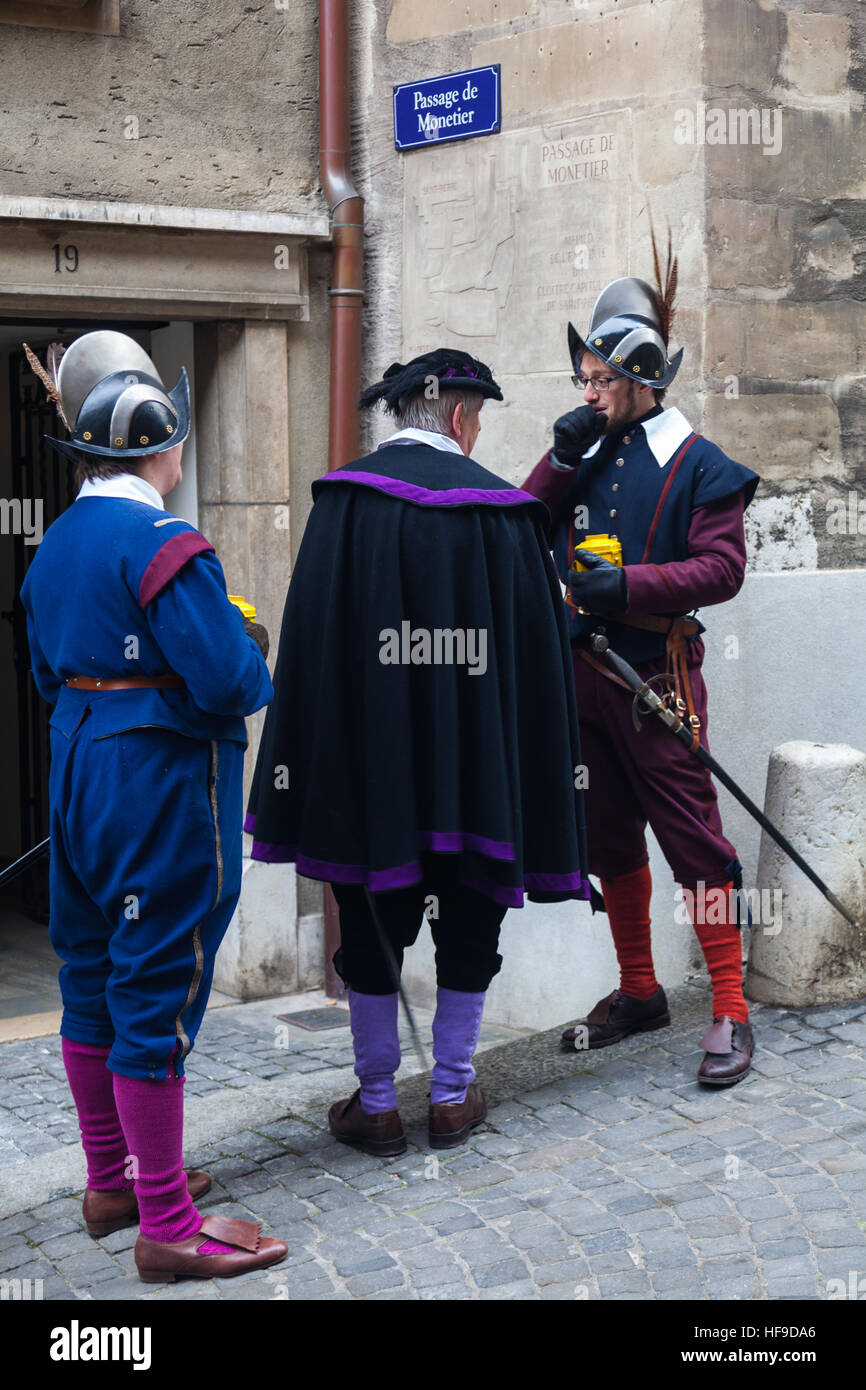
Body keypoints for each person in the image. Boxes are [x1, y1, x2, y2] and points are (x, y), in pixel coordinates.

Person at [246, 348, 592, 1154]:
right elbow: (538, 665)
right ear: (463, 417)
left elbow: (311, 650)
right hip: (479, 770)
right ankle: (449, 1095)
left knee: (372, 919)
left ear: (403, 415)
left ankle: (375, 1104)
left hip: (377, 772)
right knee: (472, 910)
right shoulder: (507, 514)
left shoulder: (343, 504)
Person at [21, 330, 287, 1281]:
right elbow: (230, 683)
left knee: (90, 977)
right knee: (155, 992)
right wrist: (244, 639)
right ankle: (167, 1223)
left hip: (79, 777)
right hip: (159, 790)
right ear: (160, 449)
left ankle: (109, 1179)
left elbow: (56, 674)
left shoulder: (54, 543)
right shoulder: (168, 542)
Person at [522, 268, 760, 1086]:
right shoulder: (581, 452)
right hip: (580, 670)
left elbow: (723, 569)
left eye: (599, 378)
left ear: (640, 378)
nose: (587, 390)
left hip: (654, 673)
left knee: (694, 838)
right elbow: (521, 526)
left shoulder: (700, 463)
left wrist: (630, 588)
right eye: (582, 377)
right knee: (607, 833)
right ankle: (639, 987)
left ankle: (731, 1004)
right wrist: (557, 459)